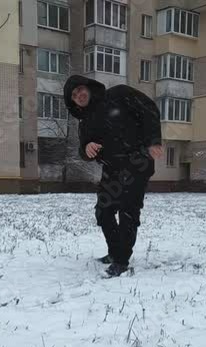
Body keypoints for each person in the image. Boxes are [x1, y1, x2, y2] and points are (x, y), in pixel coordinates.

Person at [64, 75, 163, 277]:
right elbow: (84, 150)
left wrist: (153, 141)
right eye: (73, 95)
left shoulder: (119, 94)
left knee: (128, 211)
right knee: (103, 211)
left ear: (88, 87)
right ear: (73, 102)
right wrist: (87, 148)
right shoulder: (85, 122)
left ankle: (121, 261)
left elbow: (149, 108)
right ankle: (114, 252)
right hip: (112, 169)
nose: (79, 95)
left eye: (80, 89)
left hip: (136, 162)